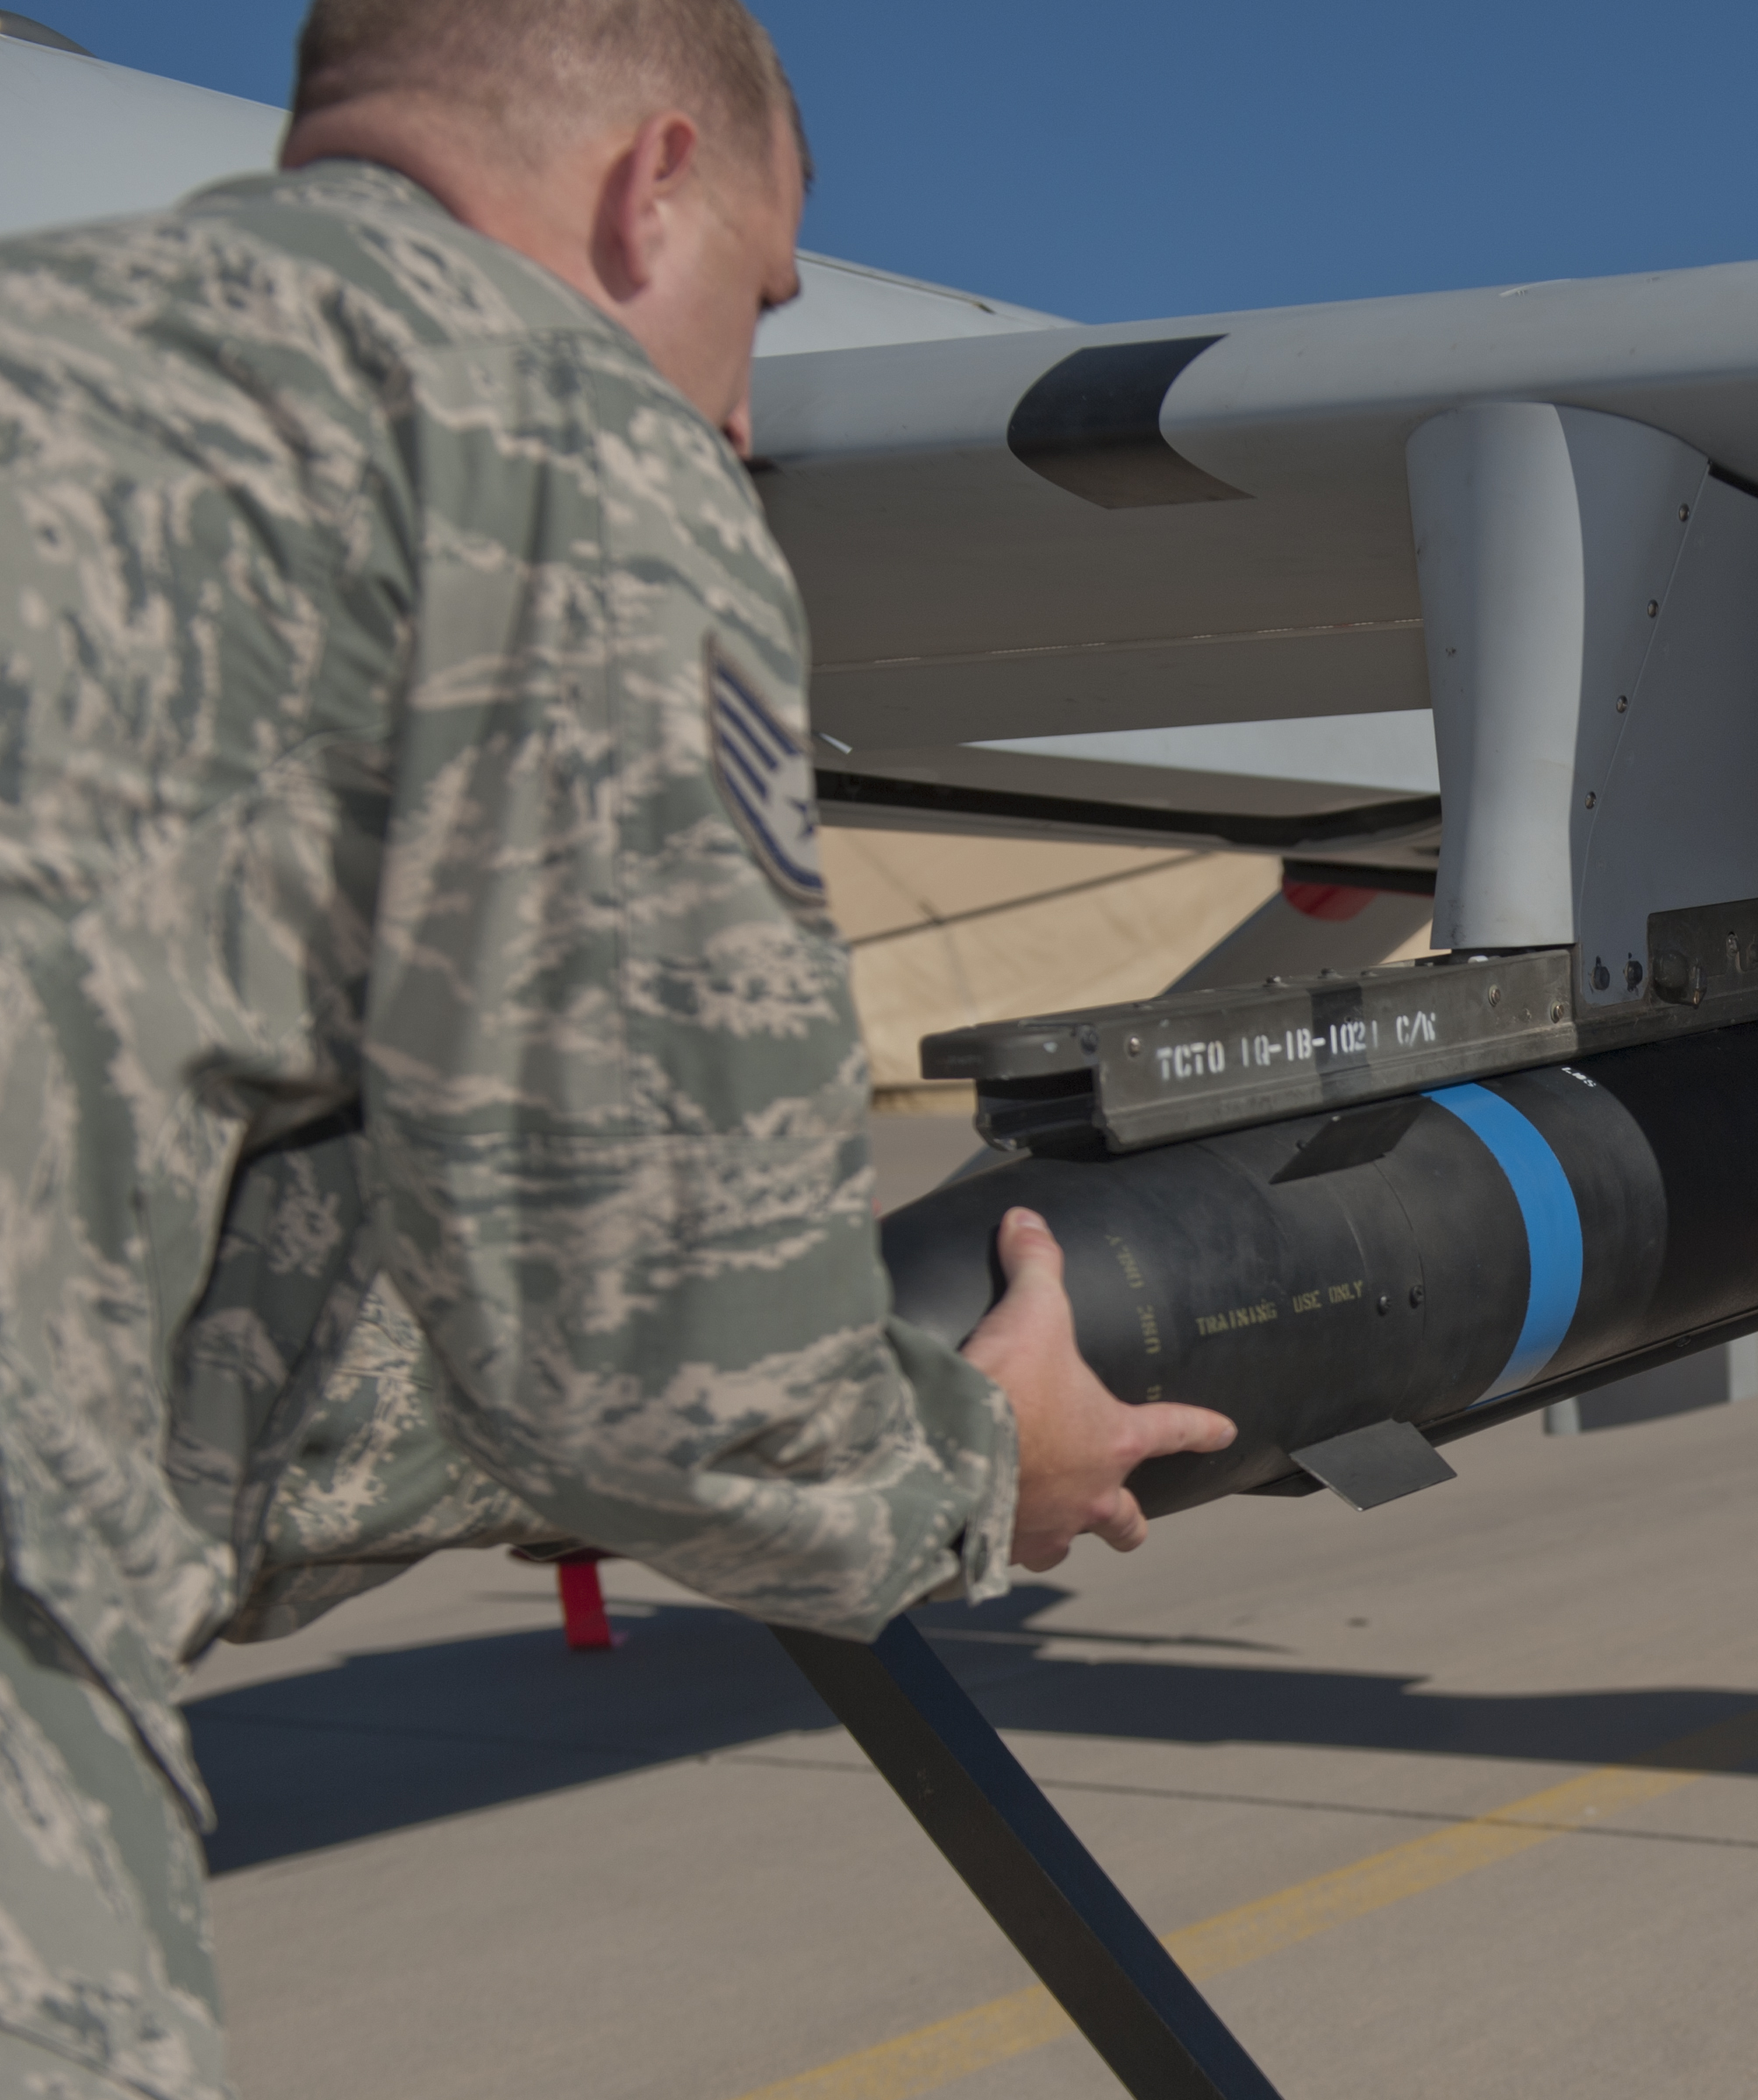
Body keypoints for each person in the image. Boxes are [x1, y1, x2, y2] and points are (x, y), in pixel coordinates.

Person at [0, 4, 1233, 2095]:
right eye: (756, 308)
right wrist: (971, 1459)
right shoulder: (542, 433)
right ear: (649, 185)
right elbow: (675, 1367)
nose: (739, 424)